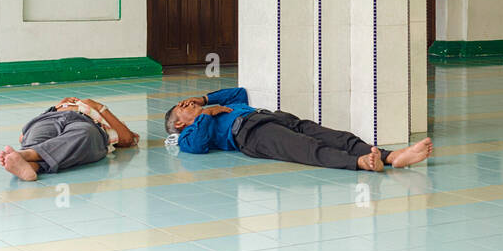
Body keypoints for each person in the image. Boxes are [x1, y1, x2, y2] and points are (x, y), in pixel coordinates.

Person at [164, 87, 432, 171]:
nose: (188, 103)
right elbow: (197, 145)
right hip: (251, 135)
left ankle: (391, 156)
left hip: (272, 118)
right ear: (178, 122)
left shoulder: (213, 105)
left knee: (335, 136)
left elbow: (239, 92)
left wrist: (204, 99)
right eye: (183, 106)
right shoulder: (186, 135)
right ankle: (360, 162)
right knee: (307, 149)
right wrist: (205, 114)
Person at [0, 97, 139, 180]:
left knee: (84, 135)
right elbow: (23, 136)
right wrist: (57, 107)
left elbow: (127, 139)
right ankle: (31, 165)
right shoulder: (56, 107)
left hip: (85, 122)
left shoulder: (101, 117)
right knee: (35, 139)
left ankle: (26, 157)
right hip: (50, 117)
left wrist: (98, 106)